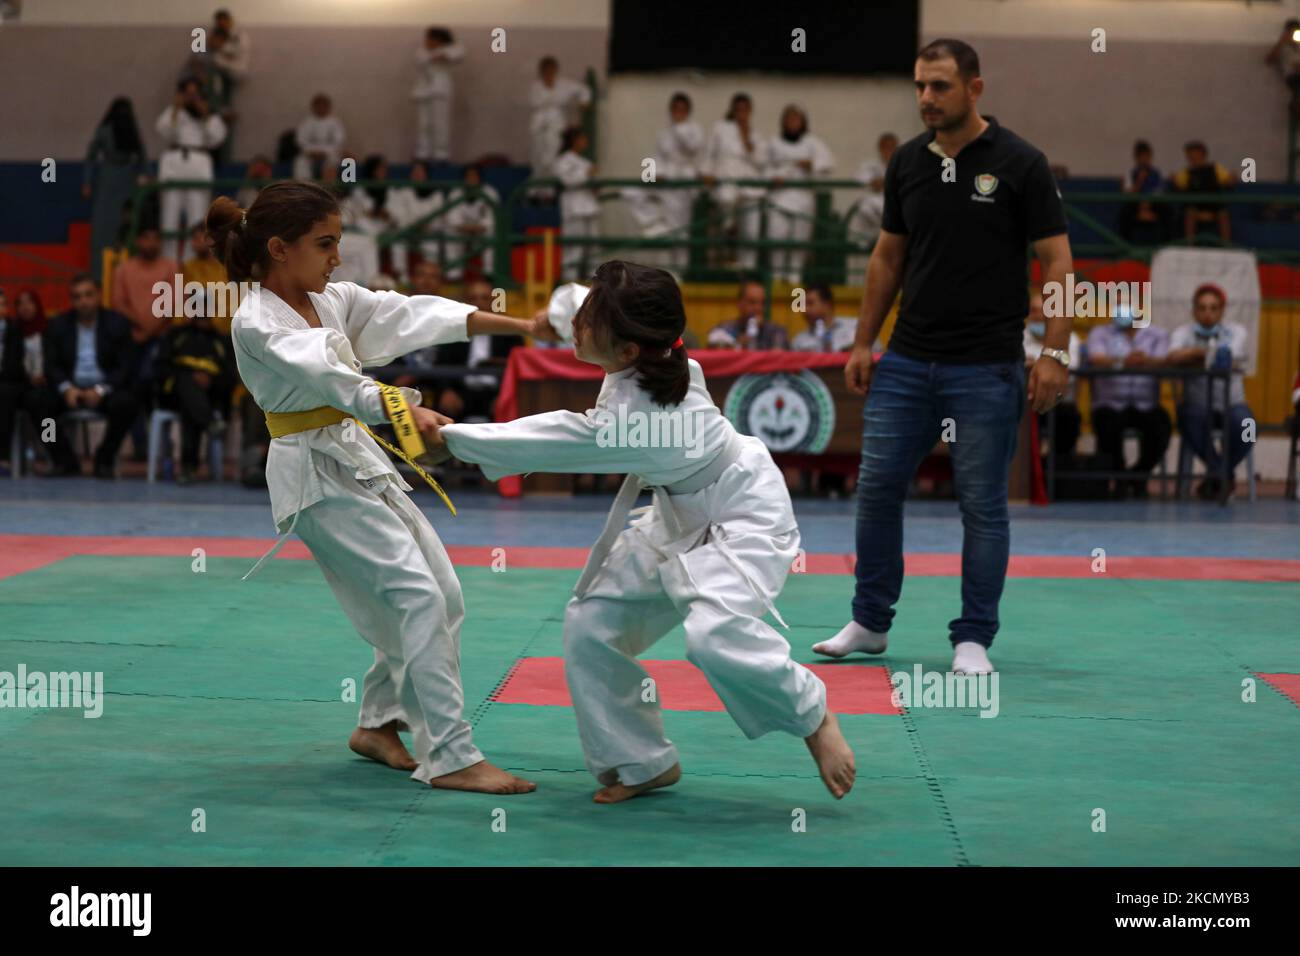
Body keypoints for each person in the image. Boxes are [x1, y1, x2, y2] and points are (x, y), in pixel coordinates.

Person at [432, 260, 856, 803]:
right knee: (591, 622)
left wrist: (453, 438)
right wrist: (551, 320)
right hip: (677, 512)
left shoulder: (640, 419)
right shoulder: (640, 339)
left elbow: (549, 441)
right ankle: (640, 761)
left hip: (743, 514)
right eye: (583, 315)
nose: (580, 326)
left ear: (628, 352)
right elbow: (578, 305)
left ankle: (814, 716)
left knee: (712, 637)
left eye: (588, 324)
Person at [209, 180, 551, 793]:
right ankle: (450, 755)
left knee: (444, 593)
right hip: (311, 475)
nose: (337, 256)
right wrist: (403, 411)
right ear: (280, 248)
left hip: (353, 454)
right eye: (326, 243)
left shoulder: (331, 298)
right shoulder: (258, 321)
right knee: (415, 596)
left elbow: (408, 312)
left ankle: (377, 724)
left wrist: (521, 322)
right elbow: (337, 381)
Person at [816, 39, 1072, 676]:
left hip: (987, 366)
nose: (927, 98)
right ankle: (871, 621)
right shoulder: (907, 163)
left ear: (975, 88)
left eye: (940, 86)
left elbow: (1059, 262)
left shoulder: (1021, 164)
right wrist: (861, 340)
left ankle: (972, 638)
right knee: (875, 490)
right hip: (905, 362)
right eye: (920, 87)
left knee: (981, 506)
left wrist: (1055, 352)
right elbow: (887, 258)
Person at [29, 274, 138, 478]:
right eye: (77, 297)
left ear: (98, 296)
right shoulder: (58, 325)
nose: (83, 301)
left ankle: (105, 457)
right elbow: (51, 366)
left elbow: (125, 367)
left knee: (127, 404)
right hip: (70, 390)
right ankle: (62, 458)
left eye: (88, 295)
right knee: (37, 403)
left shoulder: (117, 324)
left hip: (104, 390)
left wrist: (100, 389)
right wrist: (66, 388)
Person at [1166, 283, 1253, 499]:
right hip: (1197, 406)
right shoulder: (1182, 332)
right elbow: (1173, 356)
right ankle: (1223, 476)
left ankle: (1216, 475)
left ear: (1222, 310)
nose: (1208, 313)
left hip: (1233, 404)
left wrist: (1193, 355)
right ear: (1194, 310)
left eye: (1213, 308)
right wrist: (1199, 353)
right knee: (1187, 419)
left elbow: (1226, 355)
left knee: (1249, 428)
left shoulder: (1237, 331)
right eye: (1202, 308)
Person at [1083, 306, 1171, 498]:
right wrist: (1123, 360)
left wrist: (1146, 360)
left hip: (1146, 403)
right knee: (1108, 425)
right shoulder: (1100, 333)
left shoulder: (1157, 334)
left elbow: (1165, 360)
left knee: (1161, 426)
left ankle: (1138, 475)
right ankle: (1119, 478)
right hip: (1110, 402)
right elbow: (1096, 358)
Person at [155, 307, 234, 483]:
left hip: (209, 395)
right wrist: (189, 377)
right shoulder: (175, 336)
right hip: (174, 392)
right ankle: (210, 423)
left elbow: (231, 376)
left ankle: (187, 468)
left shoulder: (221, 340)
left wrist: (210, 380)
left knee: (191, 406)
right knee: (187, 385)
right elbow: (160, 367)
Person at [155, 77, 227, 260]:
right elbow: (163, 132)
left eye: (195, 94)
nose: (191, 98)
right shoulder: (174, 112)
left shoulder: (209, 115)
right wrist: (176, 108)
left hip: (198, 165)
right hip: (174, 164)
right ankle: (169, 262)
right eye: (187, 94)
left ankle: (191, 261)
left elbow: (217, 138)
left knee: (197, 219)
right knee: (169, 220)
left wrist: (206, 115)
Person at [766, 104, 834, 284]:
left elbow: (827, 163)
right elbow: (764, 167)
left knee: (799, 243)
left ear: (803, 123)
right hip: (779, 198)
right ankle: (776, 279)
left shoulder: (812, 142)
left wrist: (810, 164)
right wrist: (774, 177)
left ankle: (795, 284)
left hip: (803, 199)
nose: (793, 123)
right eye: (789, 119)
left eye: (796, 119)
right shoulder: (773, 142)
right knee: (777, 238)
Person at [83, 98, 148, 284]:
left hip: (128, 181)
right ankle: (98, 277)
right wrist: (87, 181)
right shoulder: (104, 131)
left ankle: (128, 276)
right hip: (107, 181)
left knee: (127, 228)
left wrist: (145, 175)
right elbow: (91, 156)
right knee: (103, 231)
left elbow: (142, 156)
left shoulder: (133, 132)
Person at [704, 93, 767, 270]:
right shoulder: (720, 128)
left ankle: (748, 268)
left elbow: (762, 162)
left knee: (751, 232)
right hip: (726, 179)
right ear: (732, 110)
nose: (741, 113)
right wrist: (706, 172)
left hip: (750, 184)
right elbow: (710, 153)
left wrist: (746, 137)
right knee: (726, 200)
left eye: (745, 110)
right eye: (738, 109)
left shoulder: (756, 135)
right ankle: (729, 226)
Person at [1023, 292, 1081, 463]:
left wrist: (1038, 367)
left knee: (1068, 422)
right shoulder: (1018, 338)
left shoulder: (1071, 338)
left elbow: (1071, 371)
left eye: (1043, 311)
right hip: (1026, 406)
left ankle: (1055, 477)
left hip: (1059, 404)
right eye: (1033, 311)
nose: (1038, 315)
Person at [529, 56, 591, 193]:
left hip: (556, 124)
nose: (549, 73)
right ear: (541, 71)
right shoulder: (536, 86)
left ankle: (549, 191)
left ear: (556, 70)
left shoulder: (564, 84)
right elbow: (535, 102)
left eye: (551, 70)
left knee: (551, 157)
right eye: (546, 70)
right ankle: (535, 191)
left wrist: (584, 101)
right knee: (537, 157)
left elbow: (583, 90)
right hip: (539, 124)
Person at [411, 27, 463, 164]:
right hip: (423, 91)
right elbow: (422, 59)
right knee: (424, 124)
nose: (427, 41)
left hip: (440, 91)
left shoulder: (453, 48)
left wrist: (440, 53)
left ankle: (441, 155)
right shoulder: (422, 51)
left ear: (439, 39)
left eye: (430, 38)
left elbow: (457, 55)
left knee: (440, 124)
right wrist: (435, 54)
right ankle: (422, 154)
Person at [554, 127, 600, 280]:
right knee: (574, 248)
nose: (585, 141)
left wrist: (594, 185)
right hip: (574, 209)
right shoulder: (563, 160)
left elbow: (591, 183)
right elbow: (566, 180)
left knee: (593, 248)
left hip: (589, 207)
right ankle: (570, 281)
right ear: (574, 140)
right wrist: (587, 174)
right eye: (582, 138)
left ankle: (594, 281)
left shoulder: (585, 161)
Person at [443, 164, 500, 281]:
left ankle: (488, 274)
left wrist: (476, 227)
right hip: (462, 232)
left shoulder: (490, 193)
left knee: (491, 233)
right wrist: (467, 228)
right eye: (468, 176)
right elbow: (453, 220)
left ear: (480, 178)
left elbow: (491, 221)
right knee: (450, 232)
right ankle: (454, 275)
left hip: (480, 233)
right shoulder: (456, 193)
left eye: (474, 176)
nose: (471, 179)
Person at [1171, 141, 1232, 243]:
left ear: (1203, 155)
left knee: (1223, 214)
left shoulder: (1215, 168)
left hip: (1214, 205)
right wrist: (1174, 181)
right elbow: (1179, 185)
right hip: (1195, 206)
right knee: (1189, 213)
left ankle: (1227, 247)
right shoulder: (1186, 173)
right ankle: (1190, 246)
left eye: (1195, 155)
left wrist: (1231, 180)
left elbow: (1228, 181)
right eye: (1189, 156)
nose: (1192, 159)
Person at [847, 133, 899, 250]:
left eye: (893, 147)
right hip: (873, 211)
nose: (889, 151)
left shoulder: (904, 165)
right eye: (886, 147)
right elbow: (860, 177)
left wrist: (886, 182)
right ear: (880, 148)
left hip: (895, 207)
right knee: (866, 207)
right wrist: (875, 182)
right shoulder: (871, 165)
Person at [707, 277, 789, 349]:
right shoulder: (724, 329)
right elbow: (716, 355)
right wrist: (738, 343)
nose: (758, 308)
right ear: (739, 304)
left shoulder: (775, 332)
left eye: (762, 303)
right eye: (752, 302)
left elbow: (777, 359)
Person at [1118, 140, 1169, 245]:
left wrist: (1147, 203)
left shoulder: (1157, 173)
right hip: (1136, 204)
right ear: (1136, 158)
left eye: (1147, 157)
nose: (1144, 160)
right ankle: (1124, 249)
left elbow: (1160, 192)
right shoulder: (1130, 173)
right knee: (1124, 214)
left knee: (1168, 213)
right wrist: (1139, 181)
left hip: (1153, 204)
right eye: (1141, 157)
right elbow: (1128, 193)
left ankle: (1165, 248)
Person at [0, 288, 26, 473]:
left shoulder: (15, 330)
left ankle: (3, 457)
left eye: (1, 304)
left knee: (47, 416)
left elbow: (14, 366)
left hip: (9, 383)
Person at [293, 94, 346, 181]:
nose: (321, 108)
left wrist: (324, 152)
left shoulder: (335, 122)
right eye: (318, 105)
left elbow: (339, 141)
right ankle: (305, 188)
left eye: (324, 105)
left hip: (330, 153)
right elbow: (301, 141)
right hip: (310, 153)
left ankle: (329, 188)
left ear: (328, 107)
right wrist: (312, 152)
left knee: (334, 160)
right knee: (300, 162)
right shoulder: (307, 122)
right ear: (313, 107)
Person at [791, 283, 855, 352]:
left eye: (810, 303)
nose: (805, 309)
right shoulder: (799, 341)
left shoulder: (855, 328)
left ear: (827, 304)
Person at [1265, 18, 1300, 119]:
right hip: (1293, 77)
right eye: (1293, 32)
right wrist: (1283, 40)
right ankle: (1296, 108)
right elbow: (1268, 60)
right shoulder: (1283, 46)